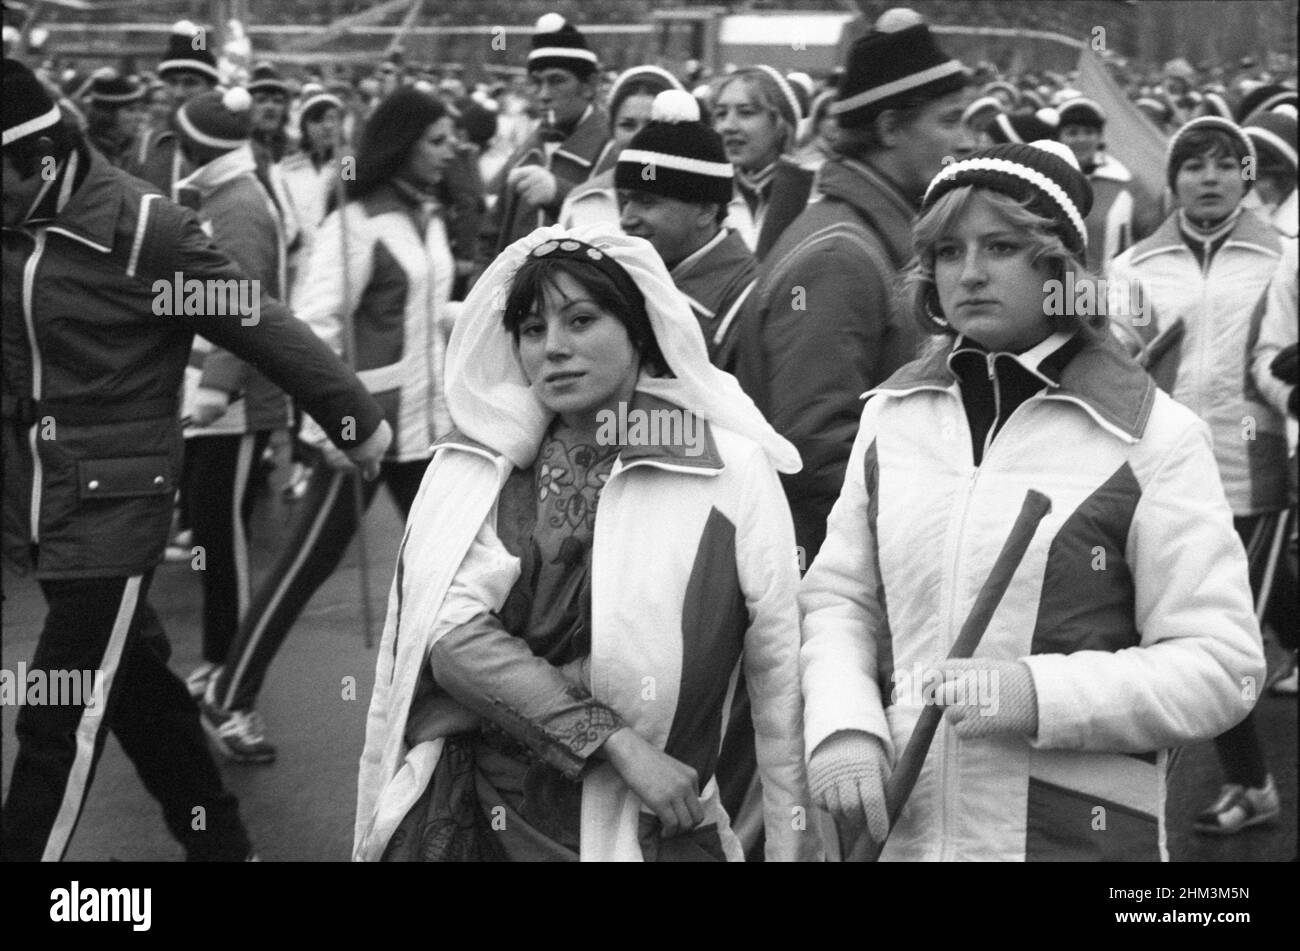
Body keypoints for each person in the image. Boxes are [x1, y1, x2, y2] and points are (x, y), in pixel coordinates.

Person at [800, 138, 1265, 861]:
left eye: (1002, 246)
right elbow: (839, 601)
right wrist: (844, 723)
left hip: (1076, 839)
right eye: (948, 252)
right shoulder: (891, 416)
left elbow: (1222, 666)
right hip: (908, 833)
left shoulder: (1155, 435)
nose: (971, 273)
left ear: (1060, 267)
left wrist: (1035, 692)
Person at [1, 58, 390, 862]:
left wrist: (353, 420)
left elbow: (257, 322)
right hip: (34, 498)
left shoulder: (148, 234)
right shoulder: (16, 225)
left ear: (41, 160)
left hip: (114, 506)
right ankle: (223, 841)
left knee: (58, 710)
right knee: (139, 685)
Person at [354, 224, 817, 862]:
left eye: (581, 320)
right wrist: (616, 743)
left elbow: (779, 676)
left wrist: (796, 844)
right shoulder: (482, 467)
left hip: (655, 825)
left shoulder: (723, 469)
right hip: (481, 819)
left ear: (638, 329)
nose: (554, 349)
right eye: (533, 330)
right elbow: (452, 643)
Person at [199, 88, 459, 762]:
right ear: (402, 144)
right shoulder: (357, 223)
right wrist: (335, 429)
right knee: (303, 568)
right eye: (437, 138)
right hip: (363, 437)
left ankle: (462, 703)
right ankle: (228, 693)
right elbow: (311, 329)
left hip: (423, 433)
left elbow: (423, 319)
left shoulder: (426, 216)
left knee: (458, 563)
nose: (450, 148)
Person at [729, 12, 970, 565]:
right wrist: (931, 537)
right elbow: (816, 449)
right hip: (830, 570)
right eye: (949, 121)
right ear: (889, 129)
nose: (963, 141)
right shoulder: (839, 257)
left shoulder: (873, 236)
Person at [1107, 116, 1288, 835]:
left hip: (1256, 477)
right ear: (1173, 178)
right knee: (1188, 624)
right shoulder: (1135, 268)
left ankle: (1249, 782)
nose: (1208, 178)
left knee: (1214, 631)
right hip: (1168, 476)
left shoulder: (1285, 259)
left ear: (1248, 177)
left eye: (1224, 165)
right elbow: (1113, 357)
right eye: (1193, 165)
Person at [168, 87, 294, 715]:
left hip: (234, 405)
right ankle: (221, 661)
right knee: (214, 537)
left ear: (199, 145)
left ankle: (233, 678)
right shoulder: (222, 196)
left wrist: (218, 385)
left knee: (226, 545)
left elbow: (242, 305)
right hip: (213, 400)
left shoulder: (238, 207)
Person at [616, 90, 754, 364]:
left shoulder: (747, 300)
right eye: (626, 200)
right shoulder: (629, 274)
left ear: (705, 210)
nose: (626, 218)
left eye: (646, 202)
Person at [484, 13, 609, 257]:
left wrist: (560, 195)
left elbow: (622, 233)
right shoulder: (525, 151)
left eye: (556, 81)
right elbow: (490, 234)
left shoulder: (612, 148)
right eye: (536, 82)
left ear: (590, 86)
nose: (543, 94)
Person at [559, 65, 683, 230]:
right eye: (628, 125)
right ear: (612, 131)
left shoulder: (698, 200)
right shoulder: (583, 200)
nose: (640, 137)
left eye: (653, 124)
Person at [711, 65, 811, 258]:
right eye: (721, 114)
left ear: (781, 123)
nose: (728, 126)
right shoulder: (708, 198)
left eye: (746, 112)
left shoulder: (811, 196)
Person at [125, 20, 218, 194]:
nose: (179, 93)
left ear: (210, 88)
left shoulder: (227, 142)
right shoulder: (146, 145)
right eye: (172, 82)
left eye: (190, 83)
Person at [1057, 97, 1136, 272]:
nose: (1081, 139)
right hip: (1054, 290)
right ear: (1060, 137)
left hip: (1110, 290)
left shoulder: (1123, 181)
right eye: (1072, 132)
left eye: (1089, 132)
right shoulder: (1044, 180)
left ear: (1100, 137)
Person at [83, 70, 148, 169]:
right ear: (108, 115)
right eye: (131, 110)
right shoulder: (84, 152)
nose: (139, 117)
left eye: (141, 109)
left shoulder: (136, 149)